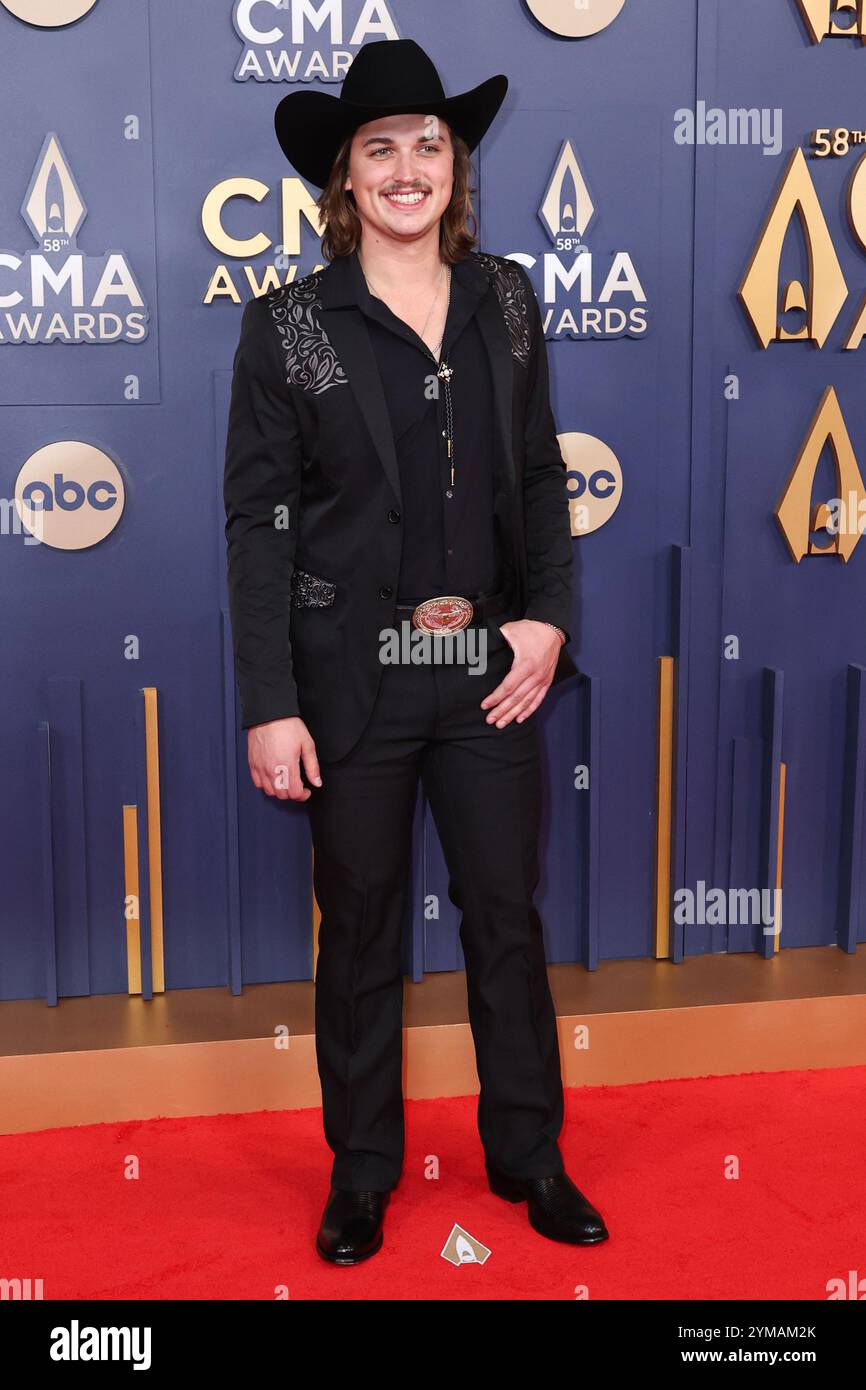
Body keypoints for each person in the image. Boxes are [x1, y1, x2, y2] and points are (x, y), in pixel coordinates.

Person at [223, 36, 608, 1264]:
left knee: (505, 916)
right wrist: (270, 702)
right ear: (343, 178)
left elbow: (543, 475)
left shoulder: (504, 297)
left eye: (427, 144)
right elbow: (258, 527)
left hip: (486, 673)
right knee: (365, 932)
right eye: (379, 148)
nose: (406, 167)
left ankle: (529, 1156)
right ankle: (362, 1173)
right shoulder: (287, 327)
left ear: (454, 165)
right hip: (351, 680)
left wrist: (546, 618)